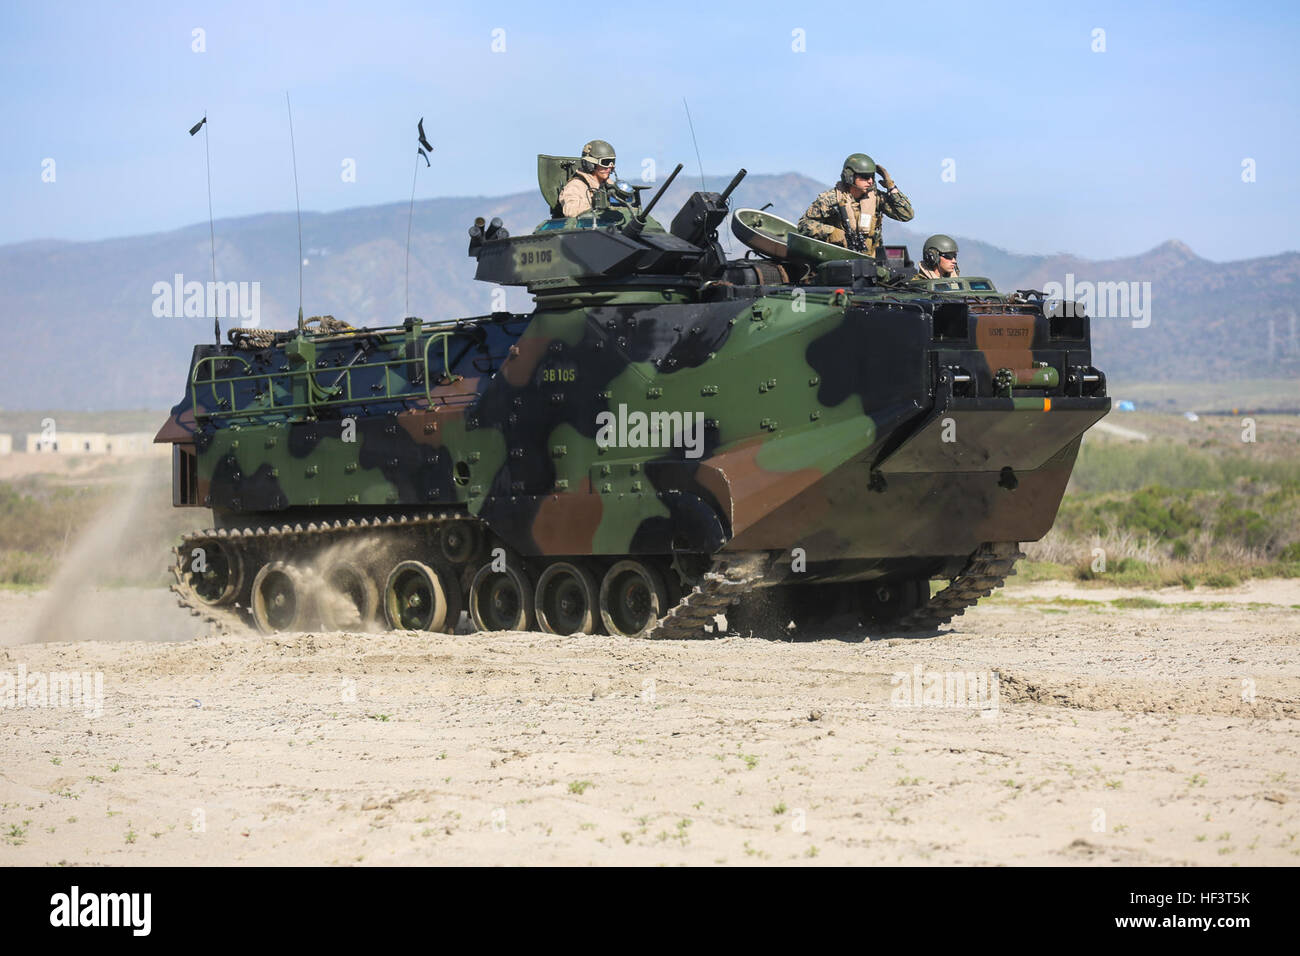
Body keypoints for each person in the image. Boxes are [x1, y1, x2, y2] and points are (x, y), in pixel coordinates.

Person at [797, 153, 913, 255]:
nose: (870, 181)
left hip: (870, 262)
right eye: (865, 177)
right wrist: (831, 232)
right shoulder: (830, 199)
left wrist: (891, 187)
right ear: (850, 176)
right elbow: (803, 225)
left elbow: (906, 215)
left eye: (872, 176)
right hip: (837, 259)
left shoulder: (877, 198)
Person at [558, 139, 616, 217]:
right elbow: (570, 211)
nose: (609, 167)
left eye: (612, 162)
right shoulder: (576, 186)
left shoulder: (611, 185)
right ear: (591, 164)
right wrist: (595, 201)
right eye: (605, 162)